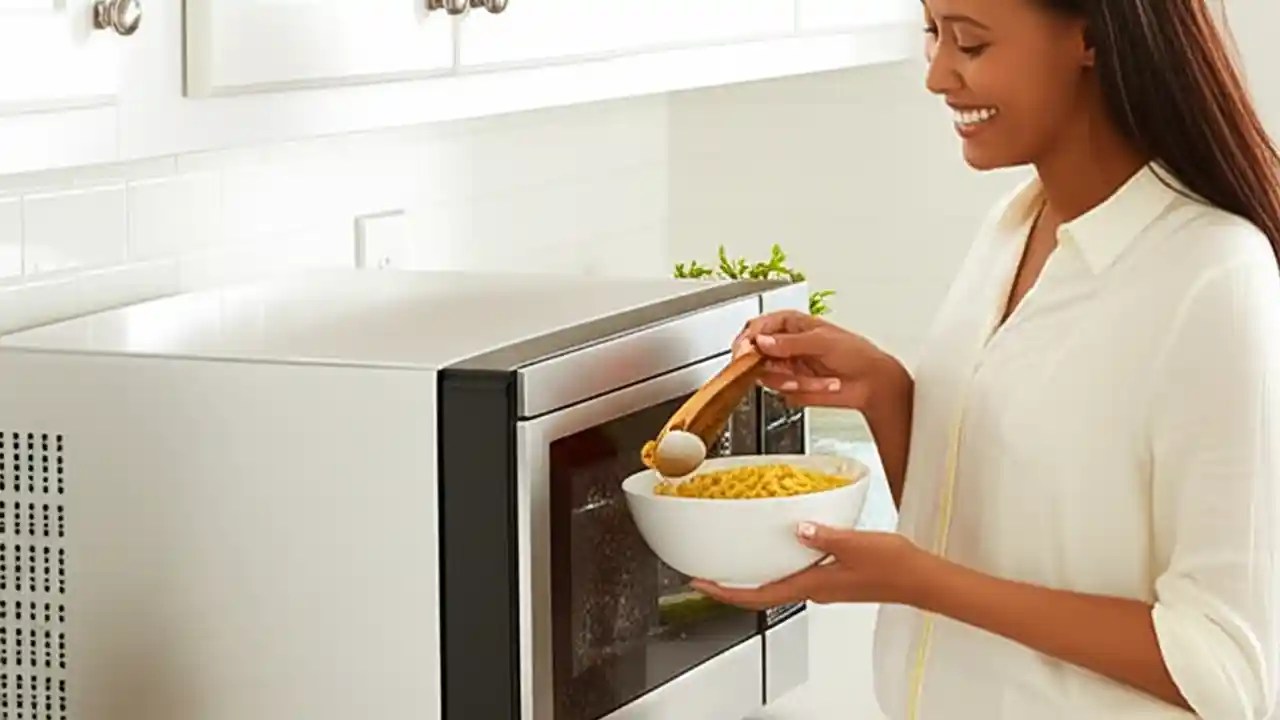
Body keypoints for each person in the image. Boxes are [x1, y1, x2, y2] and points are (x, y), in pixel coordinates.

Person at [689, 1, 1280, 718]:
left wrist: (919, 582)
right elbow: (972, 529)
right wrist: (885, 391)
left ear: (1090, 37)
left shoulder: (1214, 277)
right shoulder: (1011, 229)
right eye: (932, 34)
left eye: (970, 43)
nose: (938, 75)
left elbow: (1225, 670)